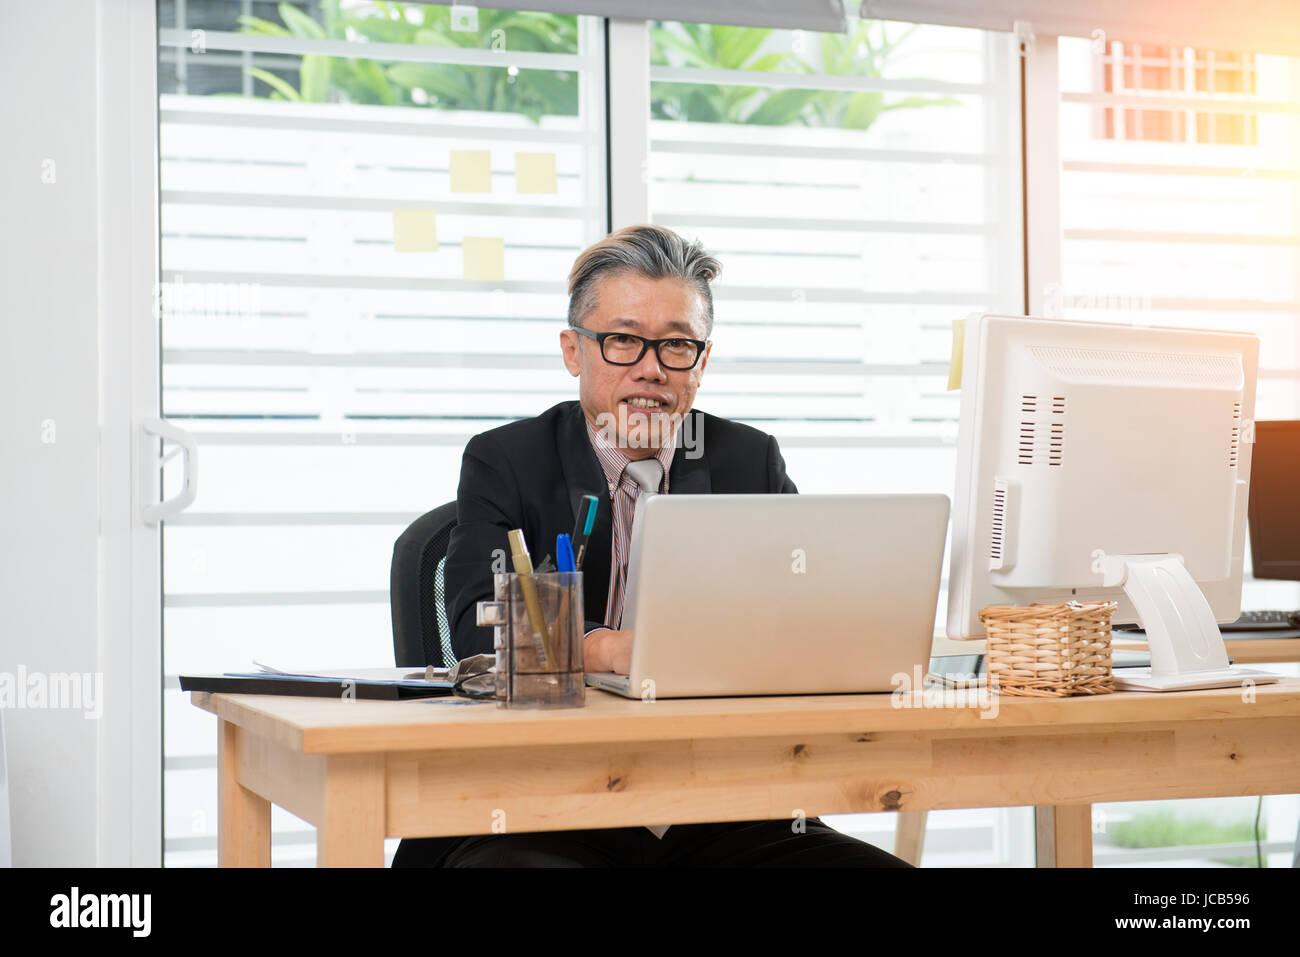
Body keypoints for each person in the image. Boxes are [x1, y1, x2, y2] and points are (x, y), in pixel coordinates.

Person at [392, 224, 909, 868]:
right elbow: (477, 632)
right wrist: (608, 648)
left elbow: (798, 617)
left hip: (720, 802)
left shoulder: (749, 461)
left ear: (703, 360)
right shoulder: (508, 460)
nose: (651, 369)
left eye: (677, 347)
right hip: (538, 805)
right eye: (623, 340)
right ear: (573, 351)